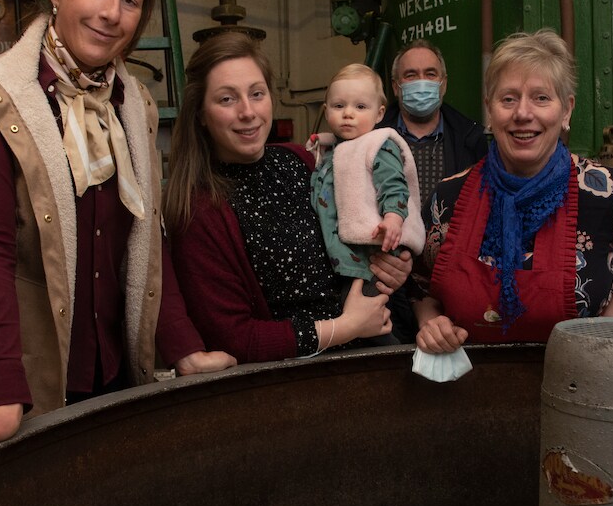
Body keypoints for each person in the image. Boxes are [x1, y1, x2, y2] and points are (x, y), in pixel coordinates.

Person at [0, 0, 235, 458]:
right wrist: (4, 390)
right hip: (21, 377)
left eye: (130, 0)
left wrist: (184, 348)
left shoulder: (133, 102)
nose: (112, 12)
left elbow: (146, 238)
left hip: (109, 372)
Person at [413, 29, 613, 353]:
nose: (523, 113)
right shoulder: (448, 198)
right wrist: (430, 322)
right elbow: (418, 280)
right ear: (490, 109)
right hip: (471, 380)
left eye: (541, 98)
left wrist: (609, 328)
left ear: (566, 110)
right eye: (508, 99)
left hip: (581, 374)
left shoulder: (611, 194)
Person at [163, 33, 413, 363]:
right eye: (226, 99)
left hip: (365, 352)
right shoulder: (198, 211)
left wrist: (394, 264)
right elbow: (236, 338)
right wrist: (345, 328)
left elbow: (365, 221)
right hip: (289, 377)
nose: (248, 111)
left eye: (257, 94)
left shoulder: (303, 160)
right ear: (200, 113)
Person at [377, 40, 488, 340]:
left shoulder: (471, 139)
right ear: (396, 87)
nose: (421, 82)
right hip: (386, 281)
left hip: (448, 284)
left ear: (443, 83)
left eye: (430, 73)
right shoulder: (372, 138)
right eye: (411, 75)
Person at [309, 64, 425, 310]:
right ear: (326, 111)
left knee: (367, 313)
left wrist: (393, 217)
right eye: (339, 106)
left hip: (371, 258)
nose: (348, 113)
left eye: (360, 107)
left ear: (379, 113)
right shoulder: (329, 151)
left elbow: (393, 185)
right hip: (342, 260)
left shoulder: (378, 145)